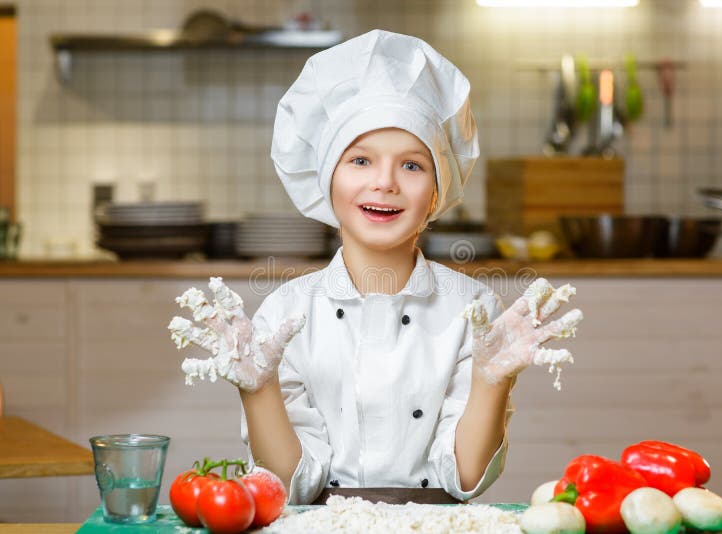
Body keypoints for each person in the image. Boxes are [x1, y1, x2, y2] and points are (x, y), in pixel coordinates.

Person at [168, 29, 583, 506]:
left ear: (437, 193)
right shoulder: (286, 313)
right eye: (360, 160)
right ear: (327, 180)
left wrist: (492, 383)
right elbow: (291, 487)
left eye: (411, 166)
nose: (384, 183)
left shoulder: (475, 310)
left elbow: (466, 479)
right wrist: (257, 392)